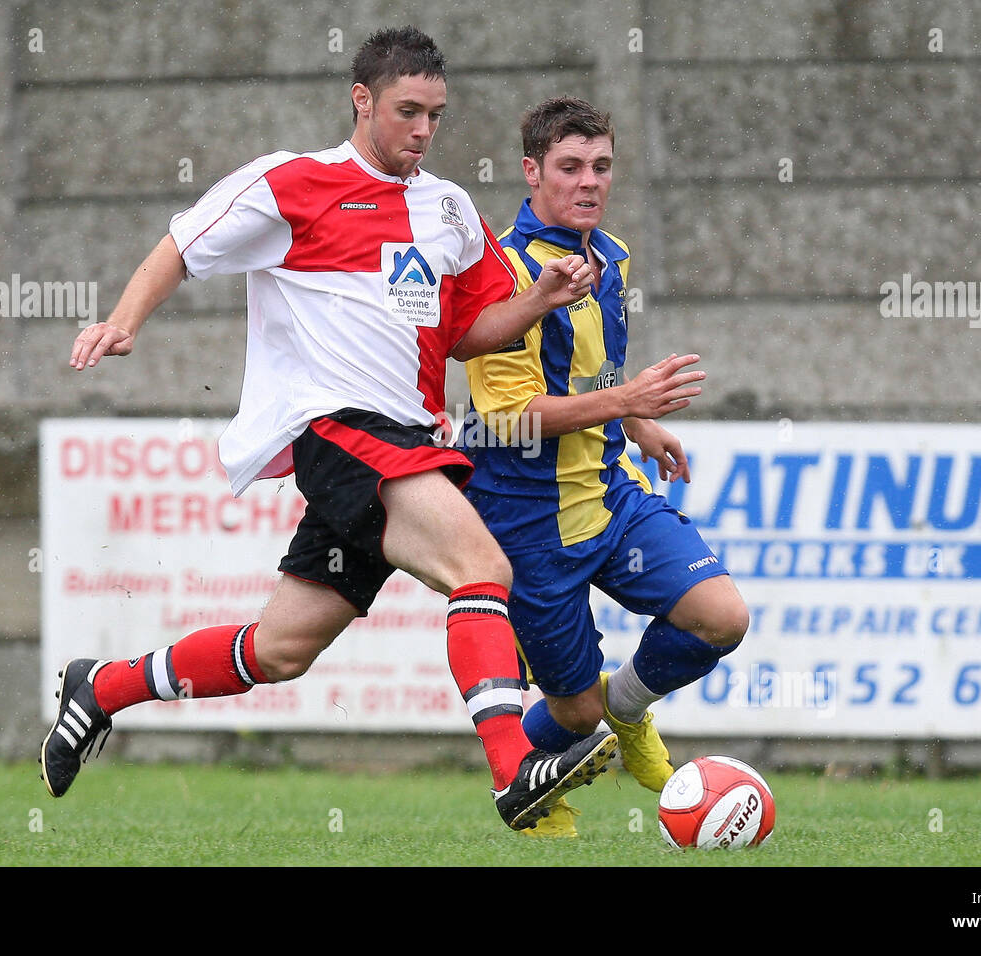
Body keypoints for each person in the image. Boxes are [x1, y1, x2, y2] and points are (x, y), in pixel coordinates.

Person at [42, 29, 618, 832]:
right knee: (481, 567)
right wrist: (124, 321)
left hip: (406, 439)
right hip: (339, 431)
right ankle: (512, 773)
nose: (422, 131)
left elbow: (469, 330)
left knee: (278, 651)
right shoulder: (295, 183)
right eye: (406, 112)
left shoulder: (447, 208)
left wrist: (541, 298)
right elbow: (181, 242)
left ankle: (100, 687)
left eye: (436, 116)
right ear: (362, 101)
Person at [461, 96, 750, 836]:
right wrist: (627, 397)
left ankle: (626, 712)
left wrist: (636, 420)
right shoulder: (502, 273)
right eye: (568, 167)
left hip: (608, 492)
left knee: (722, 617)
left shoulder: (608, 256)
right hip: (527, 520)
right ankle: (524, 793)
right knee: (571, 709)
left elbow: (584, 377)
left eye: (601, 166)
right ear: (530, 171)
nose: (588, 182)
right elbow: (508, 414)